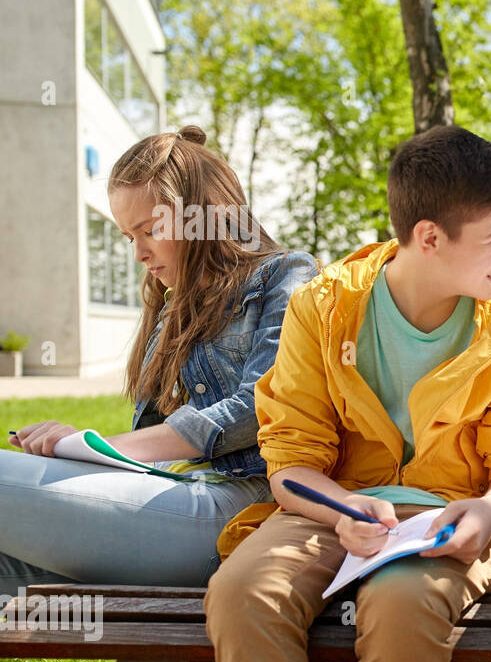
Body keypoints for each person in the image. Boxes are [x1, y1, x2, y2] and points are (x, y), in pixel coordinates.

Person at [204, 125, 491, 662]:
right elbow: (291, 462)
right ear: (429, 238)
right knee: (243, 593)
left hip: (454, 522)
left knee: (401, 603)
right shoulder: (325, 305)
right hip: (334, 508)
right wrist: (341, 508)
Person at [0, 125, 317, 592]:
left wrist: (103, 445)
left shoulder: (285, 275)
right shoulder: (170, 301)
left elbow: (264, 405)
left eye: (149, 231)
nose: (139, 254)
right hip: (166, 496)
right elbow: (148, 435)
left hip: (238, 507)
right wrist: (88, 453)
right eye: (129, 237)